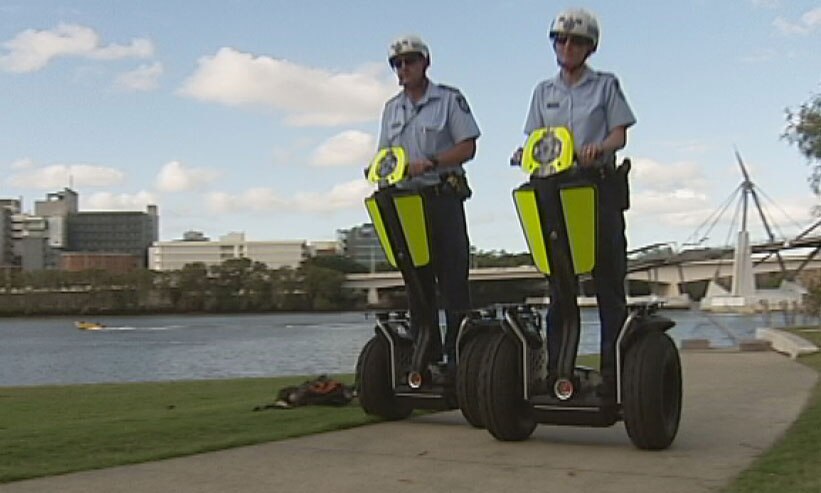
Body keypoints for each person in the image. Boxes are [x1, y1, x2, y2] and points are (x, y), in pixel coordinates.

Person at [514, 8, 636, 400]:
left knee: (608, 281)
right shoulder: (542, 92)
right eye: (561, 40)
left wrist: (597, 148)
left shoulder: (605, 86)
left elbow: (619, 135)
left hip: (595, 188)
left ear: (590, 47)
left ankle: (614, 376)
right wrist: (523, 153)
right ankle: (557, 372)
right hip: (553, 192)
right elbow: (537, 140)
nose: (567, 47)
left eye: (577, 41)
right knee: (559, 283)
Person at [376, 34, 481, 374]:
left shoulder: (449, 100)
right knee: (417, 285)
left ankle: (461, 362)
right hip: (406, 205)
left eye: (409, 61)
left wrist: (432, 162)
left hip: (440, 198)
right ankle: (426, 357)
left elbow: (468, 147)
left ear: (425, 62)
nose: (403, 68)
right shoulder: (392, 109)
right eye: (397, 63)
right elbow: (385, 156)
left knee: (452, 284)